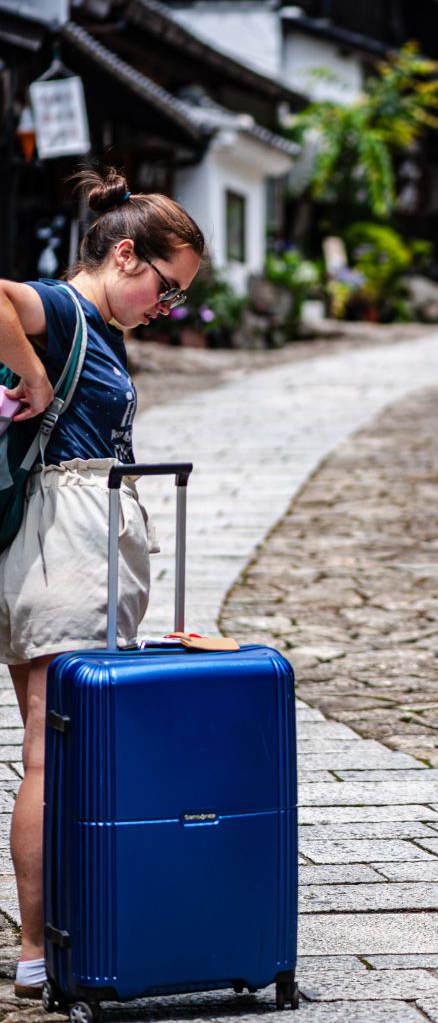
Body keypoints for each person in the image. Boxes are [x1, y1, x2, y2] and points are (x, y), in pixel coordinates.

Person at [0, 167, 205, 997]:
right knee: (52, 753)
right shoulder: (63, 306)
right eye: (168, 288)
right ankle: (39, 950)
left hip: (71, 542)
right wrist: (36, 377)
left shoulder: (99, 325)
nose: (168, 308)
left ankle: (60, 932)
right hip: (67, 543)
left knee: (60, 749)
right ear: (126, 255)